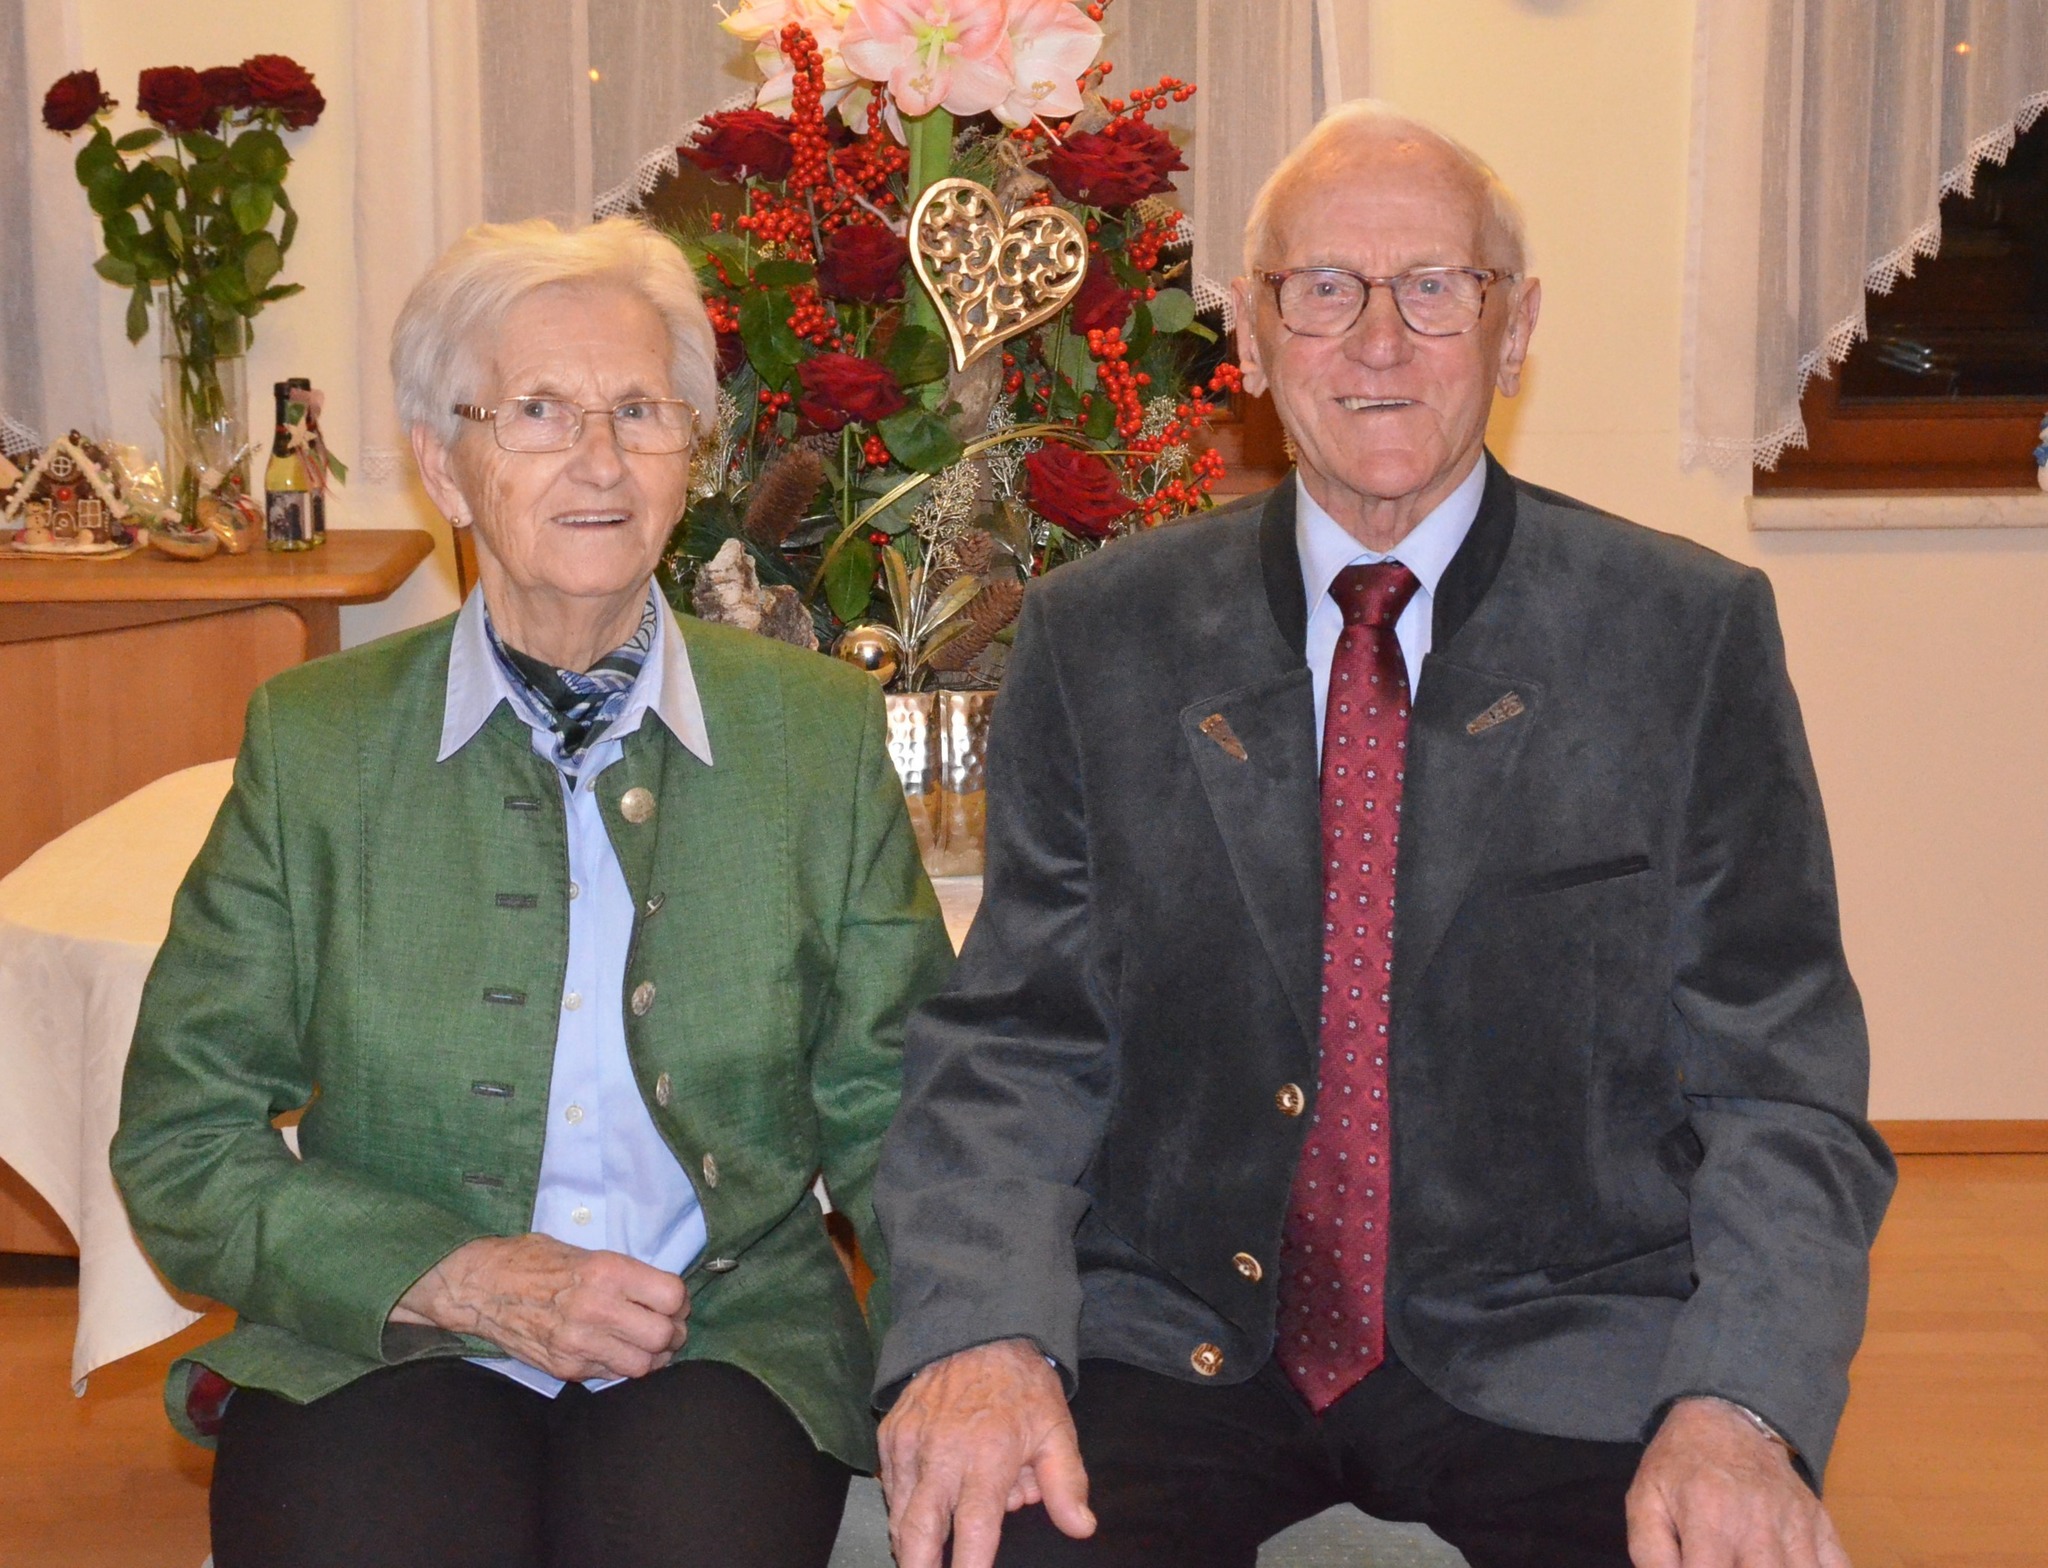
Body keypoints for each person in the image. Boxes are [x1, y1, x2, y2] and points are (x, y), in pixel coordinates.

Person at [870, 102, 1895, 1568]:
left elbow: (1781, 1089)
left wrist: (1742, 1400)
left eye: (1435, 288)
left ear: (1516, 327)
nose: (1379, 341)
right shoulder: (1106, 638)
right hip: (1186, 1332)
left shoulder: (1681, 635)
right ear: (1249, 328)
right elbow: (1017, 1045)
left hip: (1560, 1338)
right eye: (1324, 289)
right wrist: (983, 1330)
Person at [112, 216, 954, 1568]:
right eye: (541, 412)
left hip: (722, 1330)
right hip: (381, 1335)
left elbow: (910, 1110)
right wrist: (459, 1278)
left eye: (641, 410)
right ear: (445, 464)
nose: (603, 461)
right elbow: (181, 1143)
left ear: (696, 454)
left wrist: (966, 1349)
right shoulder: (318, 742)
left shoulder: (815, 734)